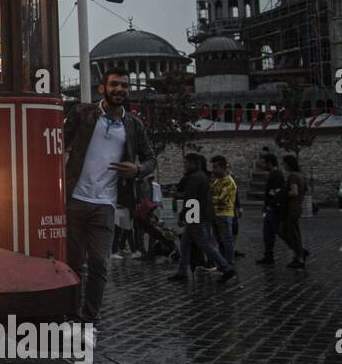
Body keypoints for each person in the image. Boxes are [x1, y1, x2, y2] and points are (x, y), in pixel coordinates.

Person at [63, 68, 157, 323]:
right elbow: (58, 142)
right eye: (114, 84)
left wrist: (137, 169)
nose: (120, 90)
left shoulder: (133, 124)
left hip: (105, 204)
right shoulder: (84, 113)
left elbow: (151, 159)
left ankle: (89, 318)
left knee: (99, 264)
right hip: (76, 200)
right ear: (103, 88)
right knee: (73, 263)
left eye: (124, 86)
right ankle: (70, 314)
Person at [169, 152, 238, 284]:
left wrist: (183, 215)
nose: (185, 165)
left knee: (205, 244)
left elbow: (191, 199)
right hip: (199, 214)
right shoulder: (200, 176)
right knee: (185, 244)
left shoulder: (195, 178)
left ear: (196, 164)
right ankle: (182, 271)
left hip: (196, 215)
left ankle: (227, 268)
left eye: (187, 163)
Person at [281, 153, 310, 269]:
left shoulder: (293, 176)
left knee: (292, 233)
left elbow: (294, 192)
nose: (283, 166)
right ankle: (300, 253)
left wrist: (281, 193)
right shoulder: (301, 175)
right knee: (293, 232)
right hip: (298, 206)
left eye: (284, 164)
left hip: (292, 207)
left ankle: (300, 257)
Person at [257, 152, 286, 265]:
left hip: (274, 209)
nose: (263, 165)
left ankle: (300, 251)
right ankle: (268, 255)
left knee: (279, 232)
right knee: (268, 233)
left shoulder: (276, 175)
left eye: (264, 163)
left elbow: (276, 192)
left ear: (270, 163)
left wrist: (270, 205)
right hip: (271, 208)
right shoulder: (274, 174)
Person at [210, 155, 237, 266]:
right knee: (220, 241)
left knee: (226, 241)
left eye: (215, 167)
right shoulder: (218, 181)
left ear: (223, 168)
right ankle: (223, 263)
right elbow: (211, 191)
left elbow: (221, 199)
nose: (213, 170)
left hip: (224, 214)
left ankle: (229, 263)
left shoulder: (229, 181)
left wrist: (209, 199)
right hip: (216, 214)